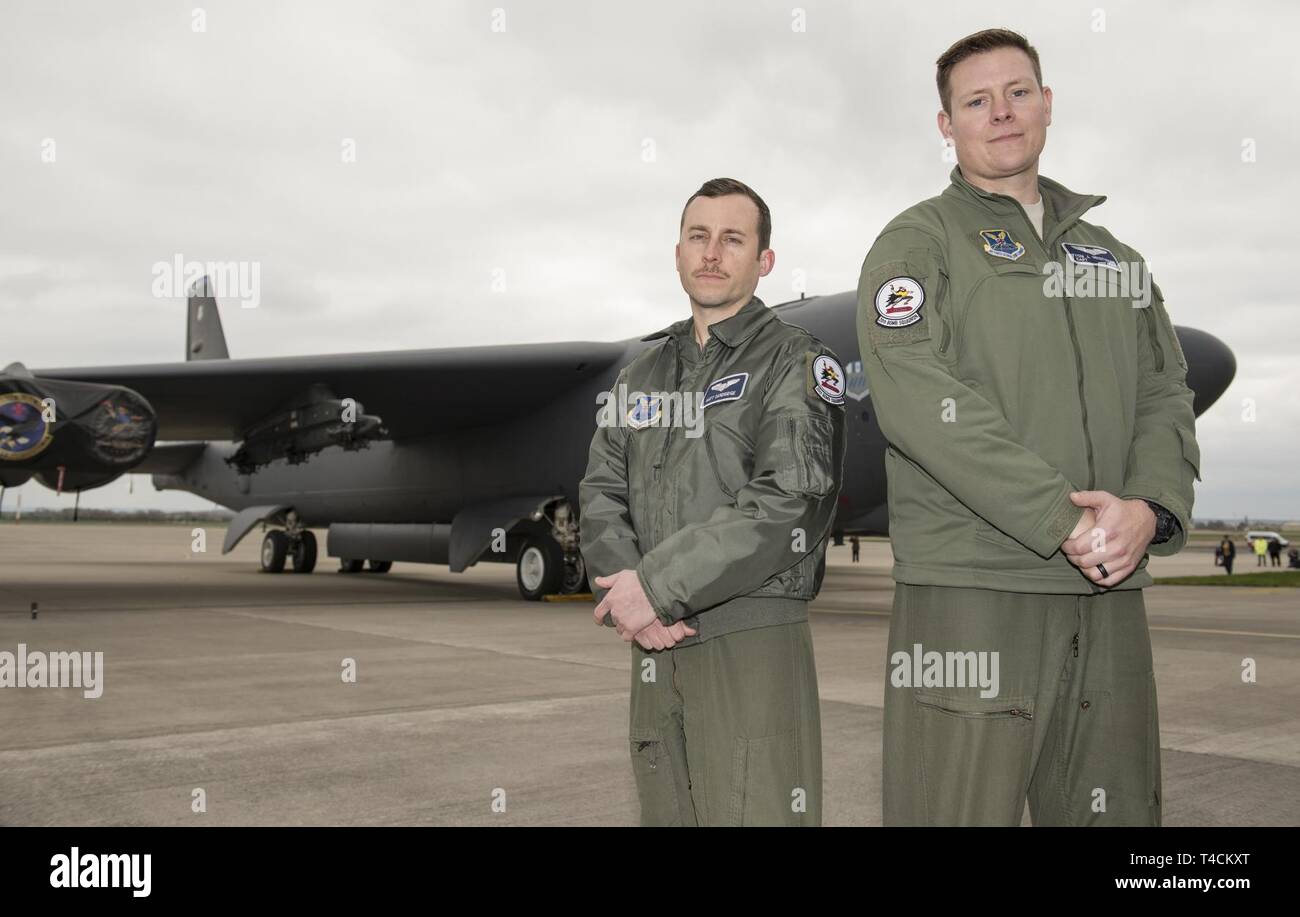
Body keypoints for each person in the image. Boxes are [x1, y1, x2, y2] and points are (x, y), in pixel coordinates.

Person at [856, 29, 1198, 826]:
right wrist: (1061, 515)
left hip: (1111, 587)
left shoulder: (1116, 260)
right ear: (947, 124)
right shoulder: (920, 243)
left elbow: (1164, 389)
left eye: (1018, 92)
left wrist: (1147, 507)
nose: (1002, 113)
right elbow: (917, 397)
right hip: (974, 590)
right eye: (976, 101)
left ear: (1047, 105)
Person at [579, 177, 847, 826]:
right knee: (667, 807)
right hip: (652, 639)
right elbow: (600, 487)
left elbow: (791, 498)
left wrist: (659, 587)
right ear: (677, 252)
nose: (711, 252)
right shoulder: (640, 373)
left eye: (733, 238)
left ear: (764, 262)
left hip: (748, 633)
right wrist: (632, 597)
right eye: (698, 236)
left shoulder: (794, 362)